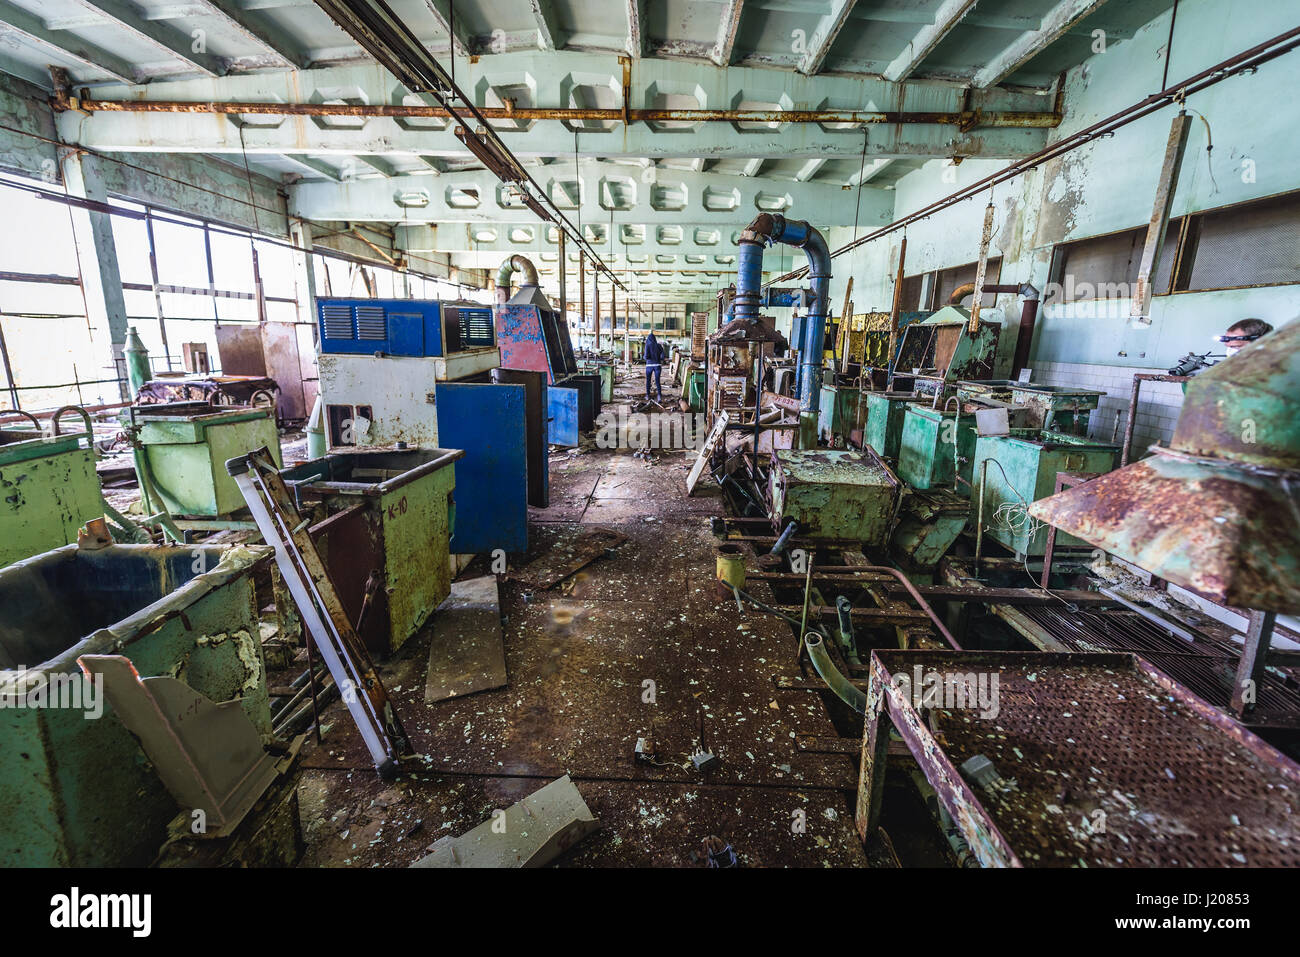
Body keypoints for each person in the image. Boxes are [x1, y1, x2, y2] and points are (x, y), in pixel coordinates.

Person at [644, 331, 665, 402]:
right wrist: (658, 358)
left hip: (649, 366)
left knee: (648, 381)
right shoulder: (659, 345)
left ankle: (647, 395)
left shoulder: (647, 345)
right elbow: (663, 356)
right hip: (657, 365)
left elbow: (646, 356)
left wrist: (646, 357)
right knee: (657, 381)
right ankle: (659, 396)